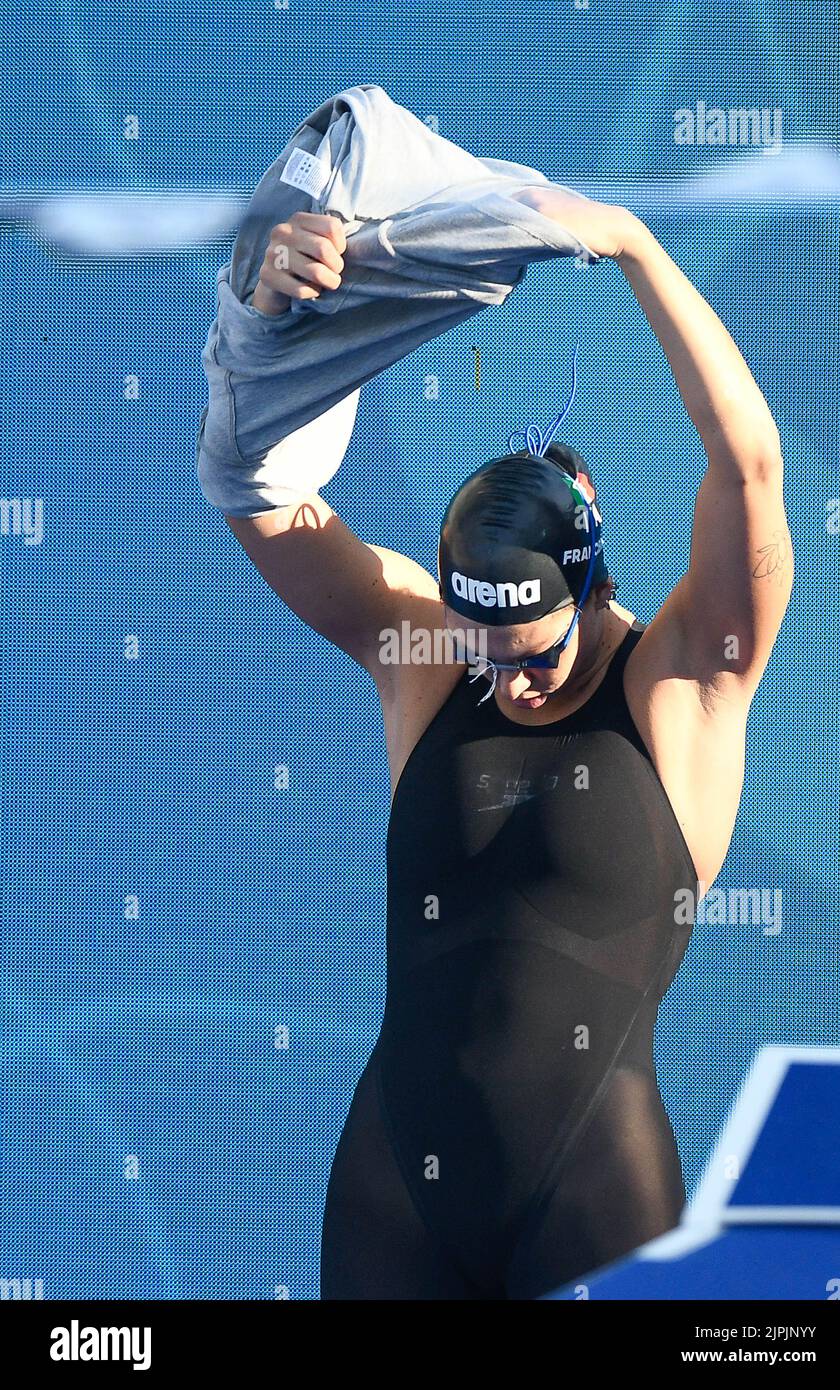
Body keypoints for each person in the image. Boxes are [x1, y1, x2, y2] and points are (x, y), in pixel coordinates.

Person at [198, 100, 792, 1299]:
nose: (503, 675)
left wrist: (632, 244)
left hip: (592, 1192)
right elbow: (251, 485)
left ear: (588, 586)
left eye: (529, 650)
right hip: (392, 1194)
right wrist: (263, 318)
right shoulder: (426, 657)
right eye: (478, 643)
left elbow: (747, 464)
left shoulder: (683, 683)